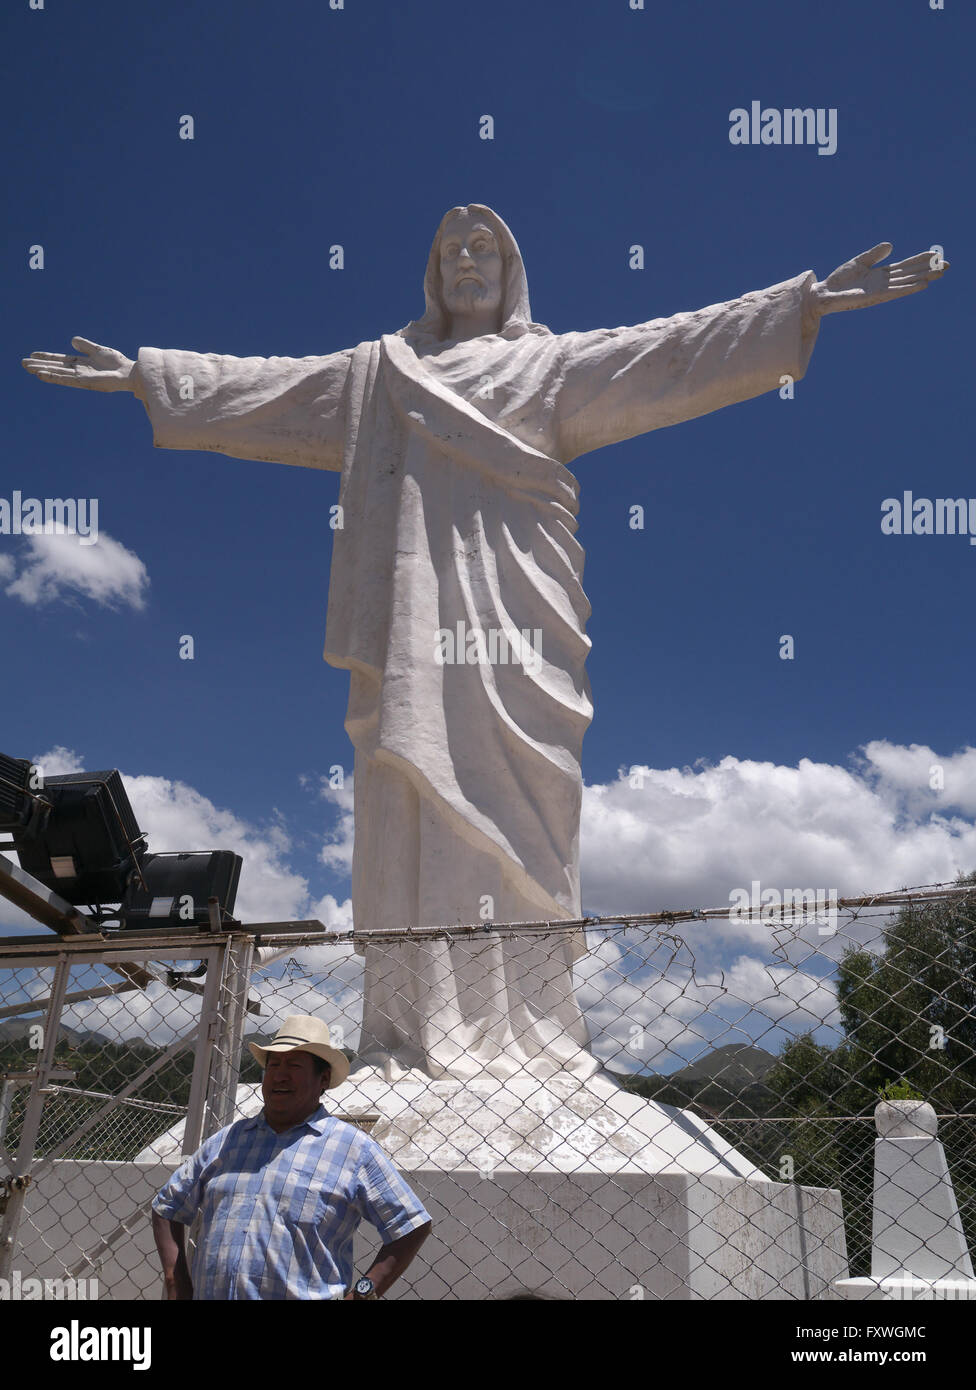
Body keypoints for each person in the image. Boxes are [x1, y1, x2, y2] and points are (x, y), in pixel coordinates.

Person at [23, 208, 948, 1084]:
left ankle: (529, 1030)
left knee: (527, 808)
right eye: (452, 248)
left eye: (486, 248)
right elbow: (270, 387)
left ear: (512, 274)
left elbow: (668, 352)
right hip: (416, 623)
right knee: (410, 784)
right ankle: (415, 1026)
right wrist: (152, 374)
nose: (468, 260)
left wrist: (802, 305)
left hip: (516, 619)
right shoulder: (379, 372)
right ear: (432, 272)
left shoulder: (554, 367)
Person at [150, 1015, 432, 1300]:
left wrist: (363, 1293)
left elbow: (411, 1226)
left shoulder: (353, 1149)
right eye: (273, 1065)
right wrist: (176, 1282)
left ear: (323, 1079)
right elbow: (166, 1205)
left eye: (294, 1066)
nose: (279, 1075)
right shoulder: (227, 1141)